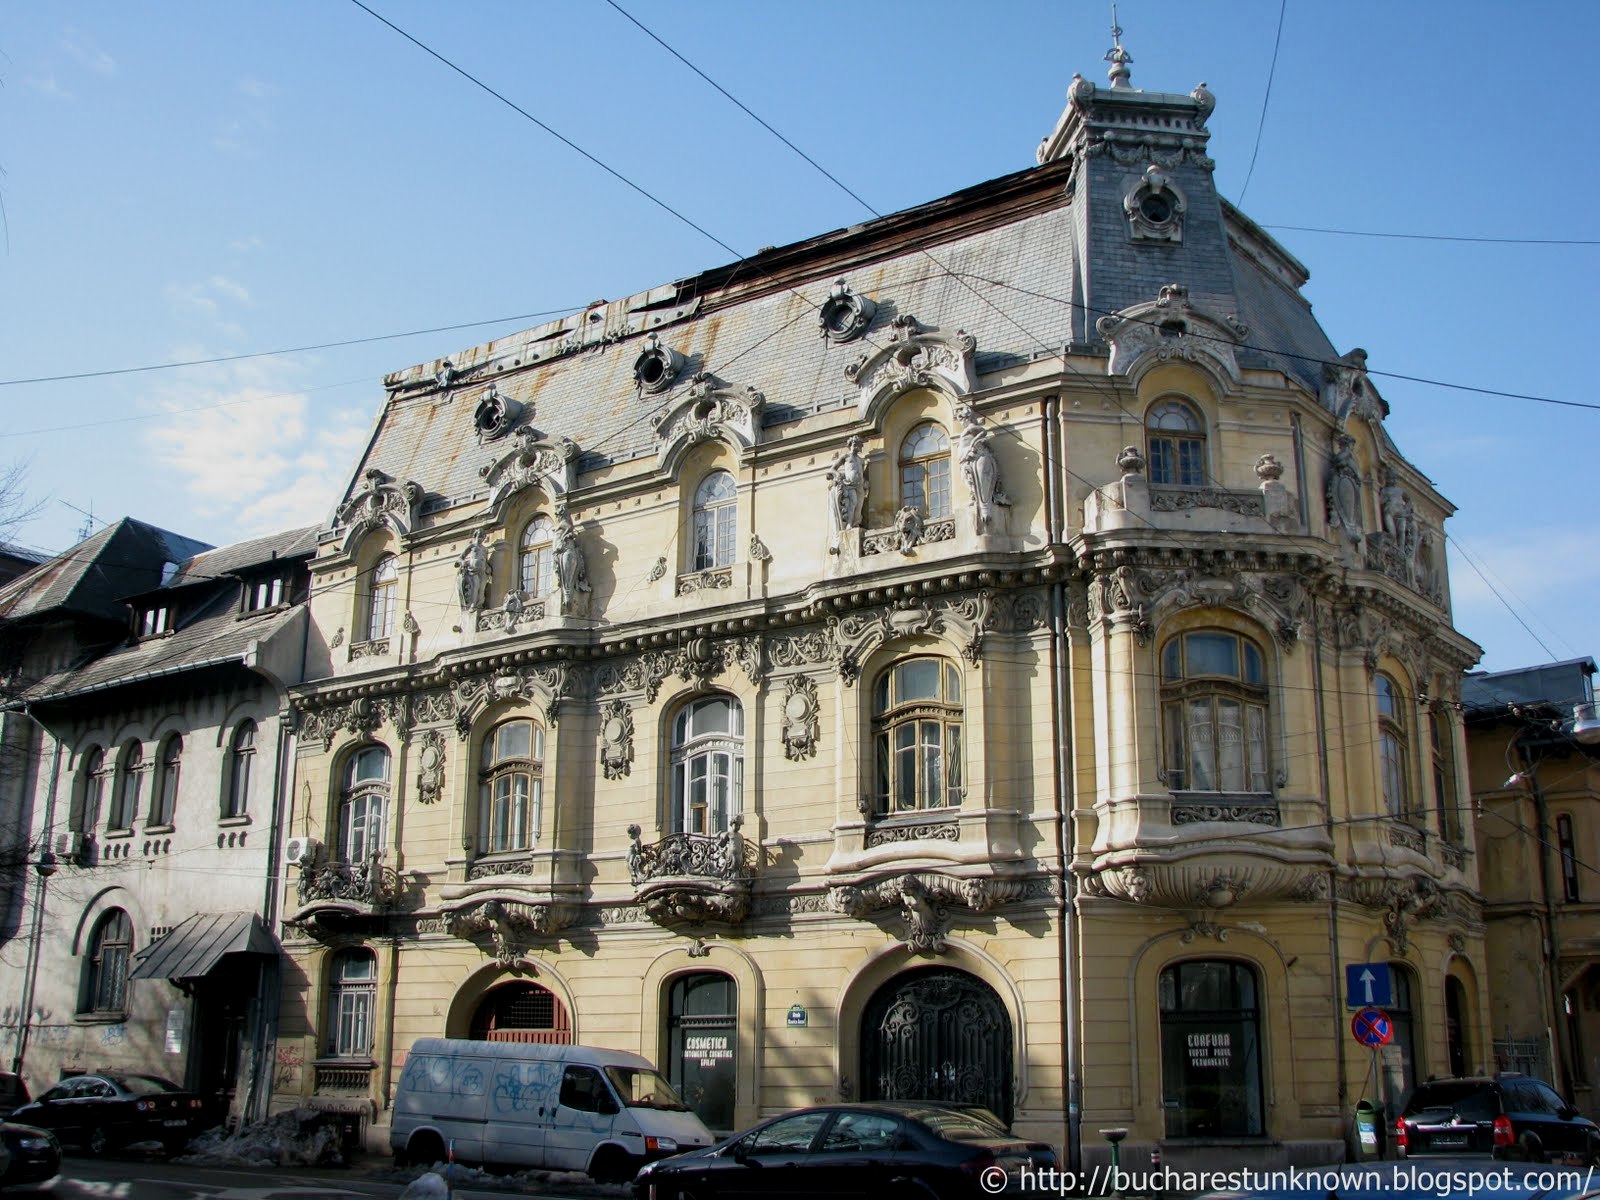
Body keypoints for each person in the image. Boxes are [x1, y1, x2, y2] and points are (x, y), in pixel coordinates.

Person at [955, 404, 1009, 532]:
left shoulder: (970, 428)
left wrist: (973, 443)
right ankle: (975, 497)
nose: (961, 422)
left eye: (962, 419)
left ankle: (983, 505)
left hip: (974, 459)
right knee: (968, 481)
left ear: (967, 418)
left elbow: (983, 432)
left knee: (979, 481)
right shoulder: (966, 430)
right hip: (966, 461)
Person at [826, 435, 868, 553]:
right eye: (854, 444)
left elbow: (861, 472)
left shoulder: (861, 460)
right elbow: (832, 469)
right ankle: (849, 524)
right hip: (849, 484)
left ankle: (855, 523)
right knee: (853, 502)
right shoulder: (845, 457)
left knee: (859, 506)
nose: (856, 447)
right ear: (850, 445)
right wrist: (837, 475)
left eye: (858, 445)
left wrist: (865, 482)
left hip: (860, 486)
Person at [552, 511, 590, 612]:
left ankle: (567, 596)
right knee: (565, 577)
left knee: (568, 577)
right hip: (563, 552)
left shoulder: (563, 523)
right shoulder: (561, 524)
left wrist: (564, 535)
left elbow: (569, 527)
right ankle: (567, 596)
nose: (558, 518)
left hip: (567, 552)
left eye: (559, 515)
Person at [456, 530, 490, 611]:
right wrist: (463, 562)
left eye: (483, 537)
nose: (481, 539)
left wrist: (488, 567)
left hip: (483, 571)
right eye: (479, 536)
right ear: (475, 536)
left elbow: (486, 560)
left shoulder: (485, 549)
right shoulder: (472, 546)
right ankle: (473, 605)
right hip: (473, 570)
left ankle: (479, 605)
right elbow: (460, 558)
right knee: (475, 586)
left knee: (481, 590)